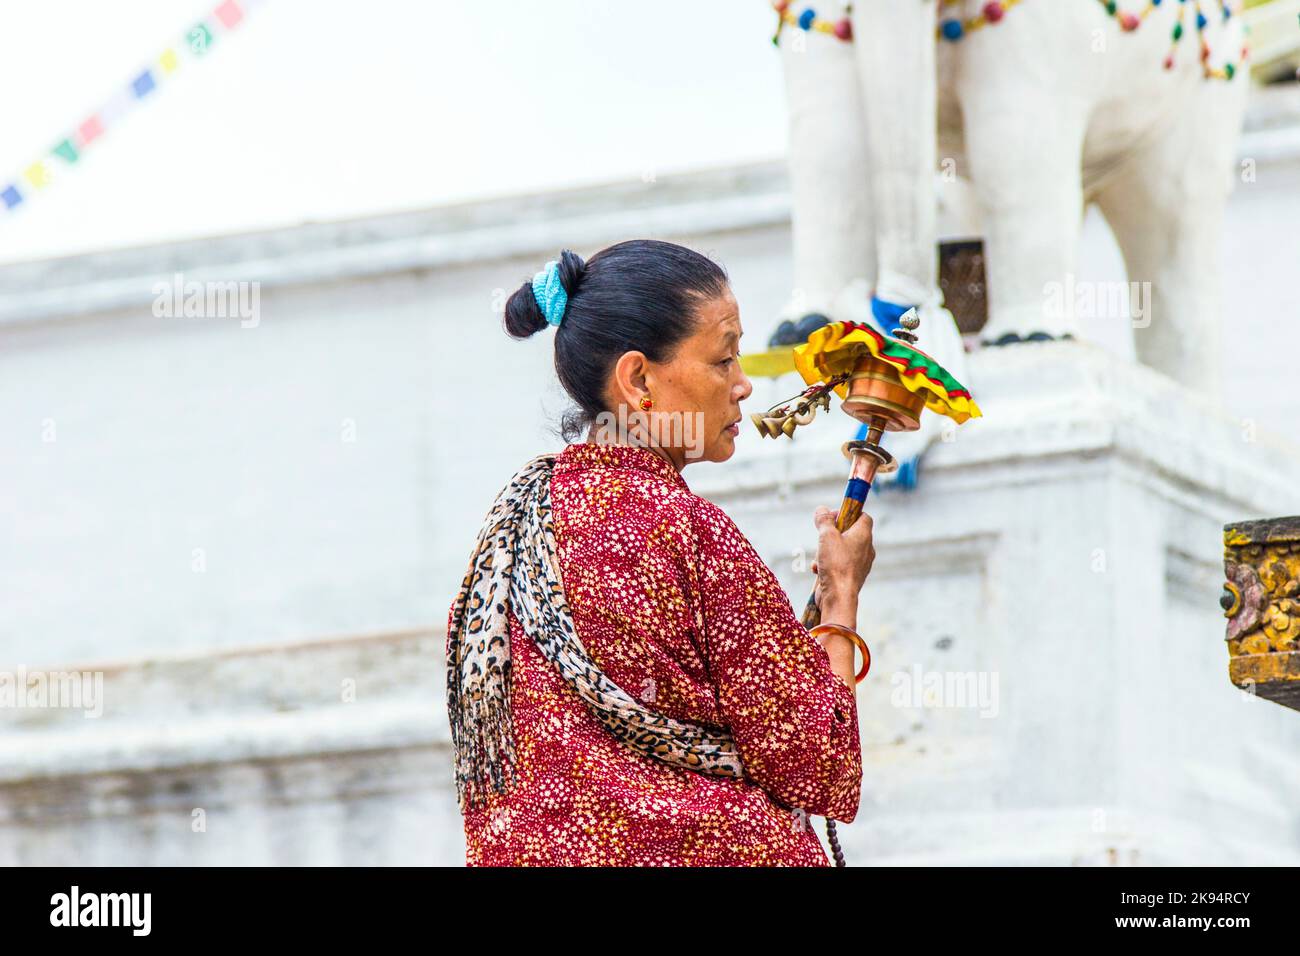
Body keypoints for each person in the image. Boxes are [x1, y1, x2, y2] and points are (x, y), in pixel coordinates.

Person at [445, 238, 875, 866]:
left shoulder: (516, 524)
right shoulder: (690, 533)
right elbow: (819, 760)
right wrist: (840, 597)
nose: (745, 386)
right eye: (723, 360)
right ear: (639, 378)